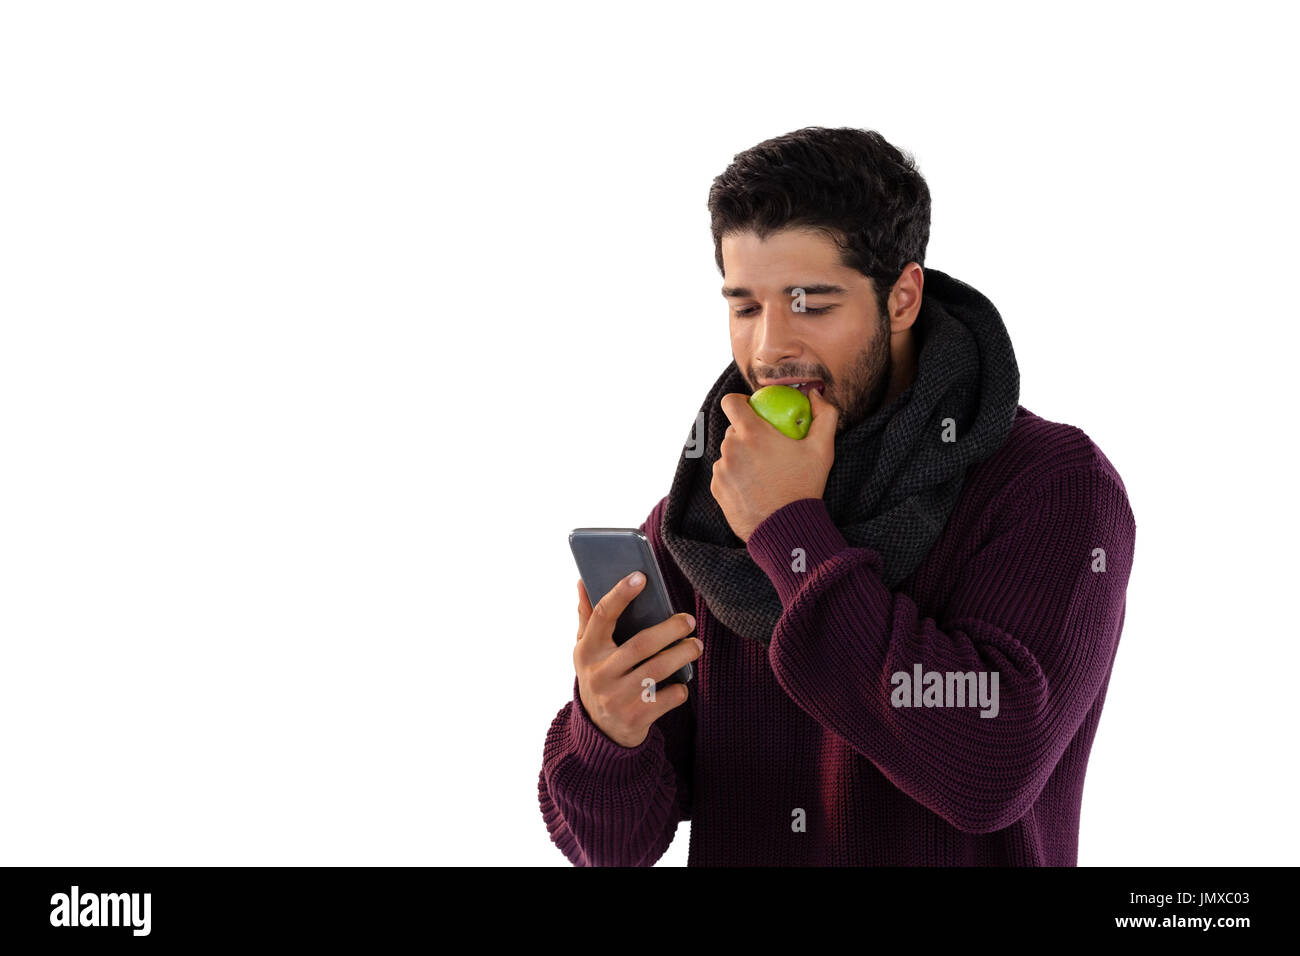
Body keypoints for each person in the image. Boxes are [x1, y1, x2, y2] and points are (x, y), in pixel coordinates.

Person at [538, 126, 1137, 866]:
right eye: (746, 307)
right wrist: (607, 730)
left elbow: (991, 767)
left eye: (810, 305)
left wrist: (791, 531)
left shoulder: (1051, 486)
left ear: (903, 297)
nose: (768, 351)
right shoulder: (702, 517)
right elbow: (612, 845)